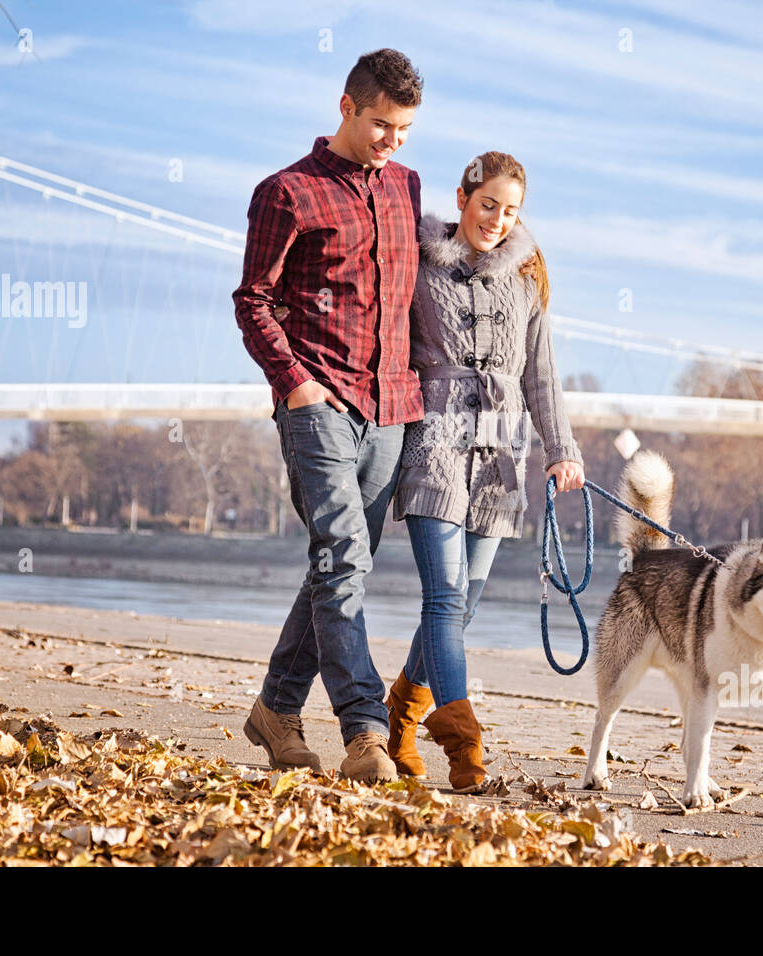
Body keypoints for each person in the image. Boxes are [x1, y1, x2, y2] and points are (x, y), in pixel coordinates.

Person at [231, 49, 425, 784]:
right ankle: (366, 731)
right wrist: (294, 383)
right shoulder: (286, 192)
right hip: (319, 403)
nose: (391, 141)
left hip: (394, 409)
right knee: (343, 557)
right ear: (346, 107)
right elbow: (253, 299)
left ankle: (276, 710)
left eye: (403, 129)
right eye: (381, 124)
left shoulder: (407, 187)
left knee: (338, 567)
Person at [387, 151, 586, 793]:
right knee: (443, 598)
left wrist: (562, 449)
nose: (497, 220)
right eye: (487, 205)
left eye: (511, 211)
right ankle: (464, 749)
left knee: (464, 603)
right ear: (463, 198)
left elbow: (541, 376)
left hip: (501, 457)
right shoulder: (419, 263)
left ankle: (400, 717)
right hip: (434, 448)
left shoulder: (527, 280)